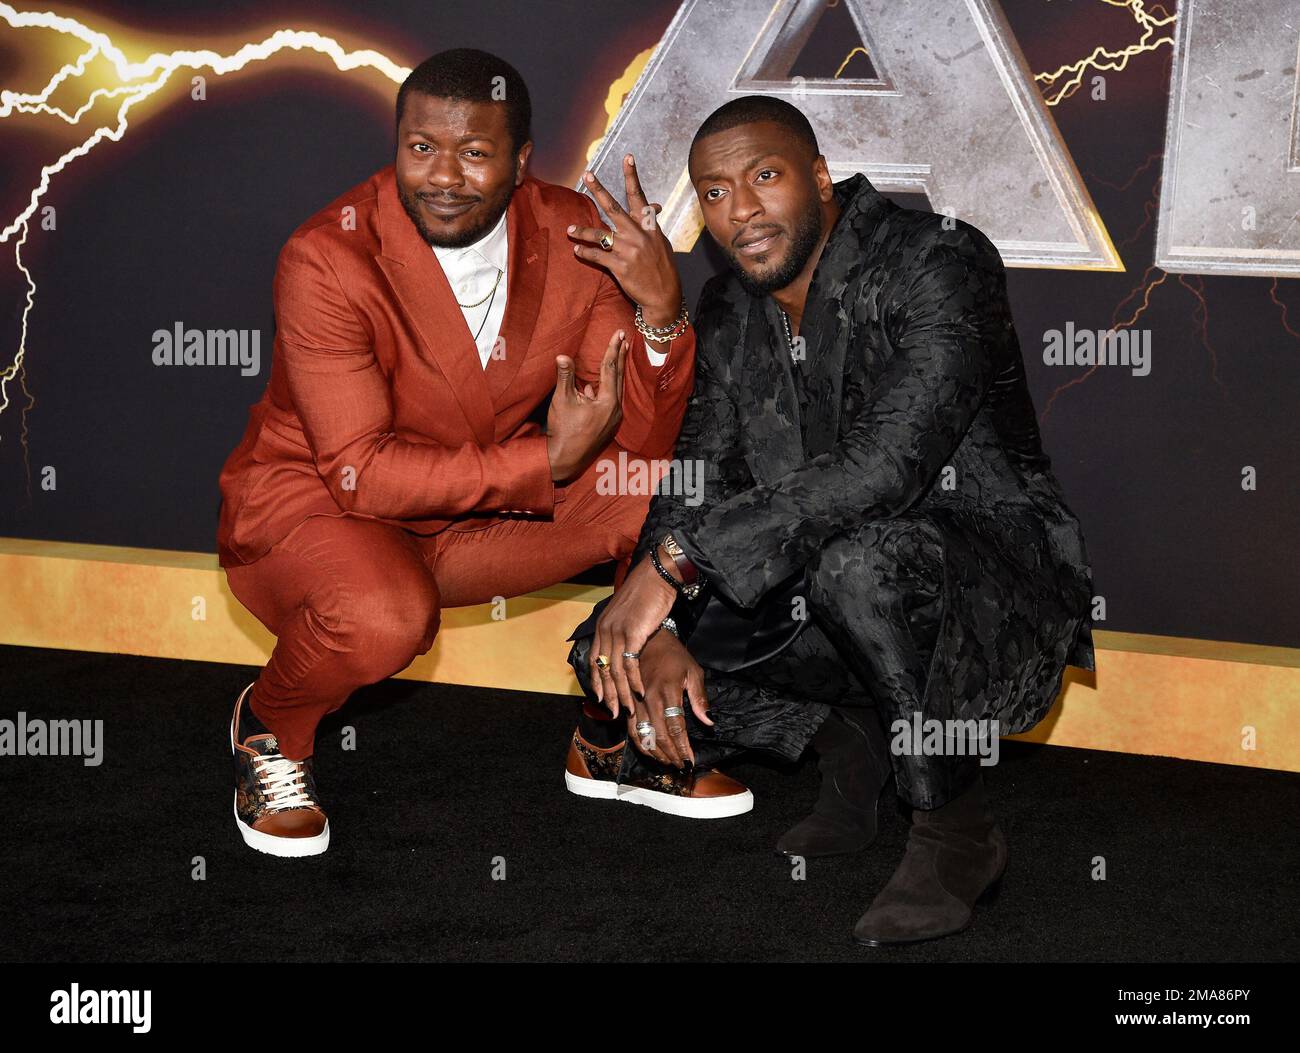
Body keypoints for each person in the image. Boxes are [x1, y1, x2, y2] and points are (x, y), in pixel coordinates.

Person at [564, 95, 1095, 945]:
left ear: (819, 176)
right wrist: (653, 617)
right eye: (712, 192)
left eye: (764, 177)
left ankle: (955, 829)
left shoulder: (937, 260)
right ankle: (851, 738)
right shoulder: (733, 309)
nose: (740, 210)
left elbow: (887, 466)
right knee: (607, 645)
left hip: (983, 581)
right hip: (824, 575)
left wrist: (675, 565)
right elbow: (697, 471)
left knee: (857, 566)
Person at [216, 48, 723, 857]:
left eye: (475, 153)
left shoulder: (575, 240)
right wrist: (542, 466)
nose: (442, 176)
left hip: (469, 517)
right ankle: (270, 726)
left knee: (666, 498)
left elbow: (637, 443)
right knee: (386, 613)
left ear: (521, 162)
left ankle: (607, 736)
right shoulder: (327, 256)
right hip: (318, 513)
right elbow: (361, 472)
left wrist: (661, 309)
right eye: (421, 148)